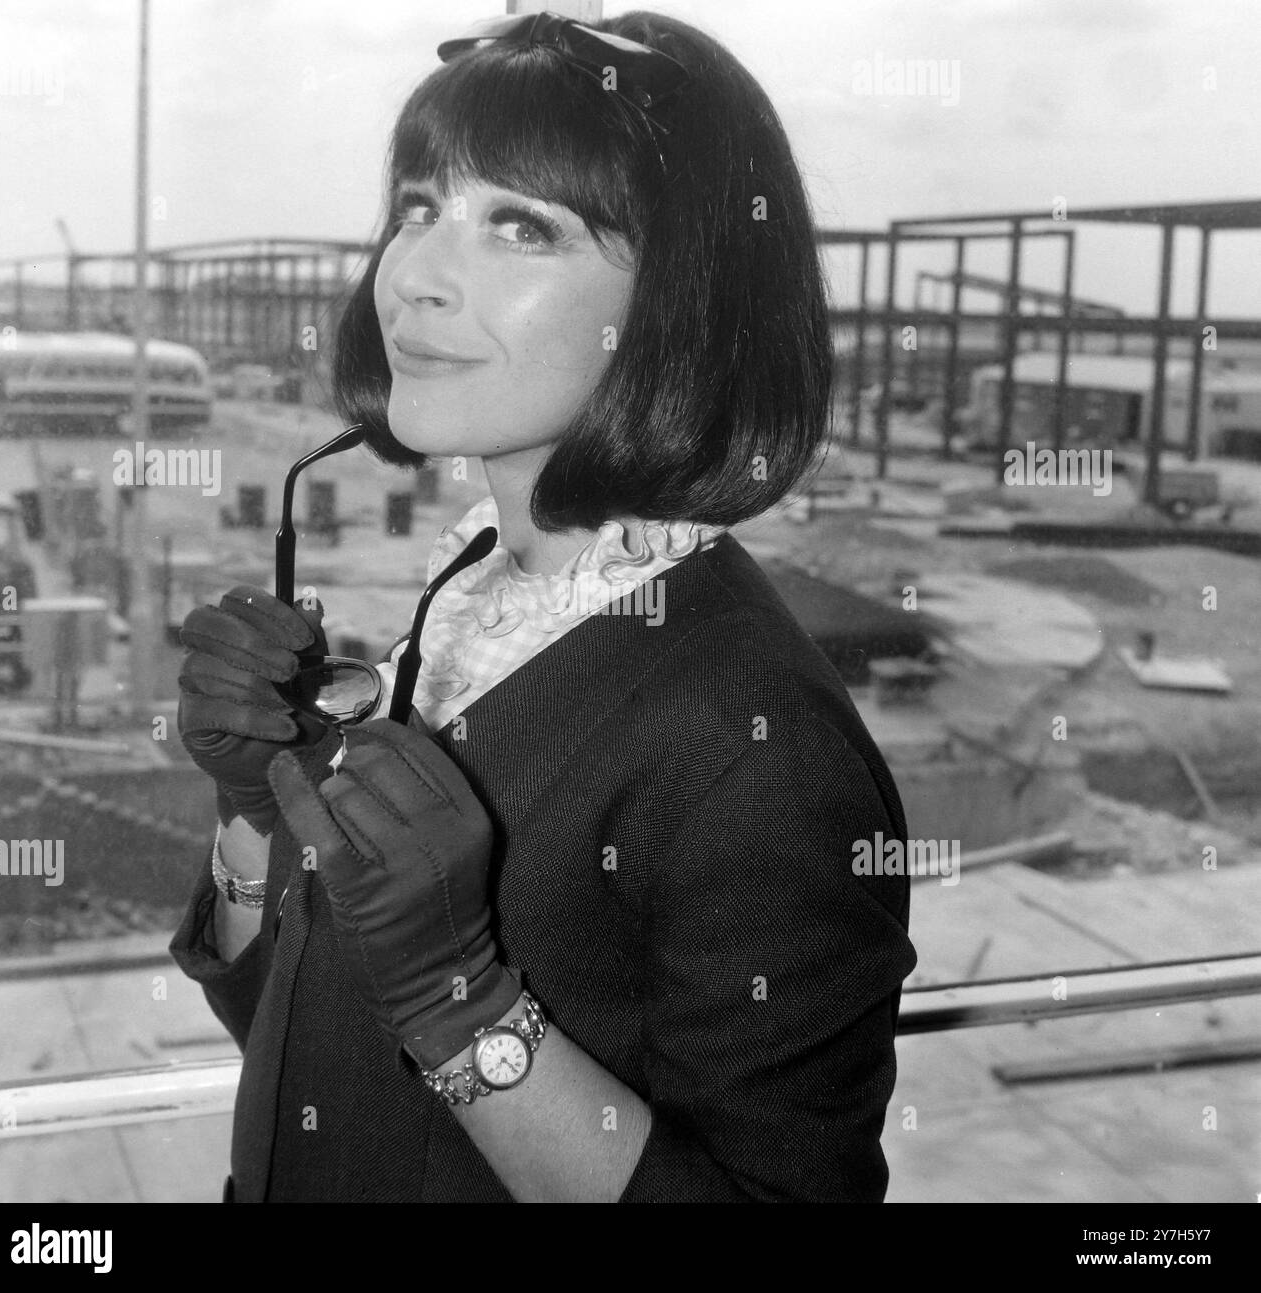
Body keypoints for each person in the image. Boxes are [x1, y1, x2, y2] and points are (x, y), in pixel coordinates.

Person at [171, 9, 916, 1203]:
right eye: (419, 205)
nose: (411, 276)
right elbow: (309, 1038)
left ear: (679, 304)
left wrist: (469, 1011)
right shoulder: (470, 594)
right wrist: (254, 819)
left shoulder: (753, 749)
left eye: (523, 225)